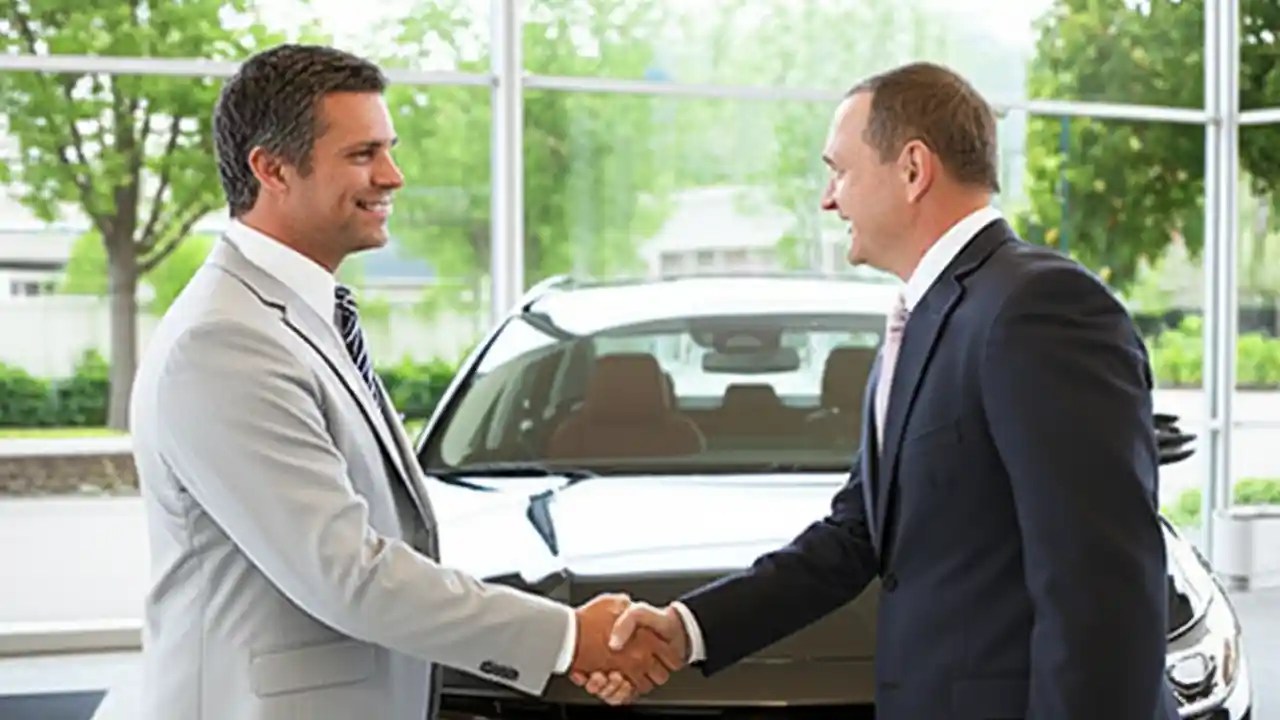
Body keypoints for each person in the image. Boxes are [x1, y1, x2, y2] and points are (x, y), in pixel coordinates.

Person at [591, 61, 1181, 718]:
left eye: (839, 170)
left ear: (912, 169)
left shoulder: (1038, 309)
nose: (828, 198)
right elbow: (856, 535)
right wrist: (685, 628)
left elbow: (1099, 587)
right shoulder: (926, 315)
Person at [128, 44, 673, 720]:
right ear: (270, 168)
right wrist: (566, 638)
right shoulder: (225, 342)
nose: (394, 175)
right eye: (362, 155)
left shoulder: (301, 316)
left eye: (388, 149)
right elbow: (346, 572)